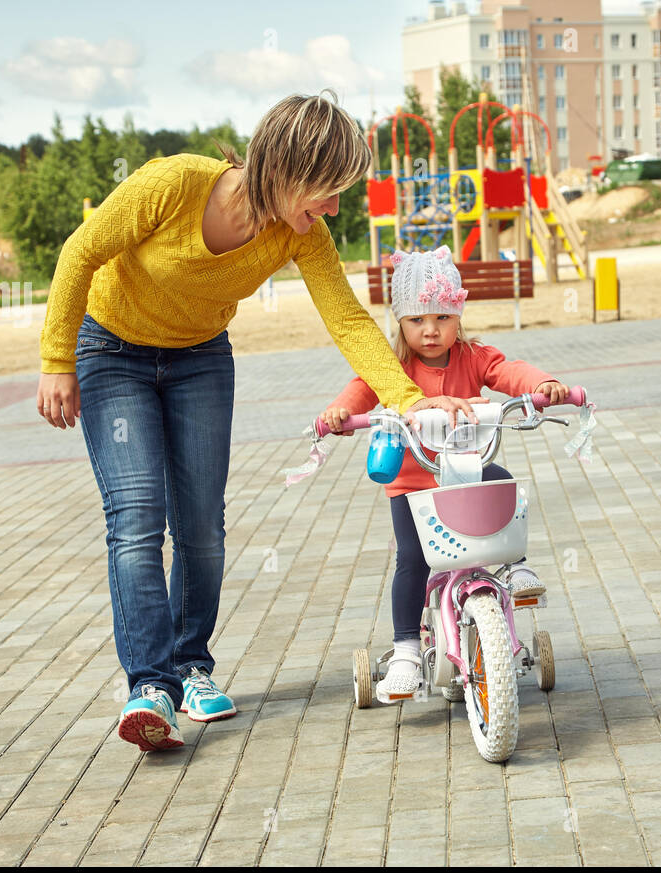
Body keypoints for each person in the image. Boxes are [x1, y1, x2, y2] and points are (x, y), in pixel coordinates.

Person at [37, 91, 481, 752]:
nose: (333, 209)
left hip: (198, 362)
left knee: (202, 526)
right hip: (111, 352)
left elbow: (350, 321)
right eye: (328, 192)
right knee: (135, 518)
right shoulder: (171, 185)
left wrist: (409, 400)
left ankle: (191, 667)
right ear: (290, 170)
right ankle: (149, 686)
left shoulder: (301, 234)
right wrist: (55, 360)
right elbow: (80, 254)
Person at [319, 245, 569, 704]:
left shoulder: (474, 356)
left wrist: (540, 385)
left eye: (442, 318)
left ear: (458, 315)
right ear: (400, 323)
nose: (430, 331)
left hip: (466, 473)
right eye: (417, 321)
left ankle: (514, 568)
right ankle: (407, 651)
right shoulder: (393, 367)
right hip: (413, 485)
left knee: (501, 480)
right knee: (412, 560)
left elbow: (508, 371)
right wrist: (340, 413)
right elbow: (362, 389)